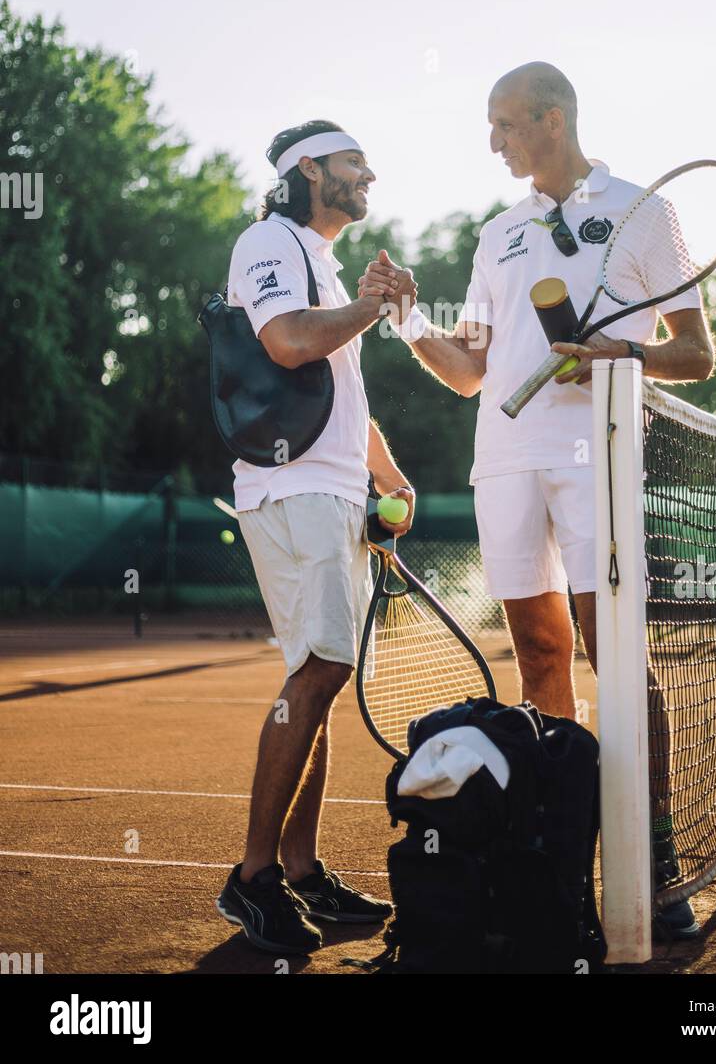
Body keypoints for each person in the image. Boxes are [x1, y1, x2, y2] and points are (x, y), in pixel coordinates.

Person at [361, 63, 713, 939]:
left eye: (506, 124)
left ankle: (657, 860)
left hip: (596, 456)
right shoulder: (499, 235)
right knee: (540, 657)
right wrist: (408, 317)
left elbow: (697, 353)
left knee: (616, 658)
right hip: (506, 463)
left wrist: (613, 359)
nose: (495, 142)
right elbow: (472, 371)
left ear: (553, 119)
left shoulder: (642, 209)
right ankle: (560, 856)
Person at [216, 119, 416, 956]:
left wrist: (389, 478)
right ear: (307, 171)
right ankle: (254, 878)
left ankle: (300, 871)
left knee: (321, 673)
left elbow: (343, 387)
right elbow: (288, 343)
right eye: (351, 163)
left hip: (329, 489)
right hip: (289, 485)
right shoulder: (269, 239)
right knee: (321, 667)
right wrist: (370, 305)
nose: (367, 174)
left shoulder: (322, 261)